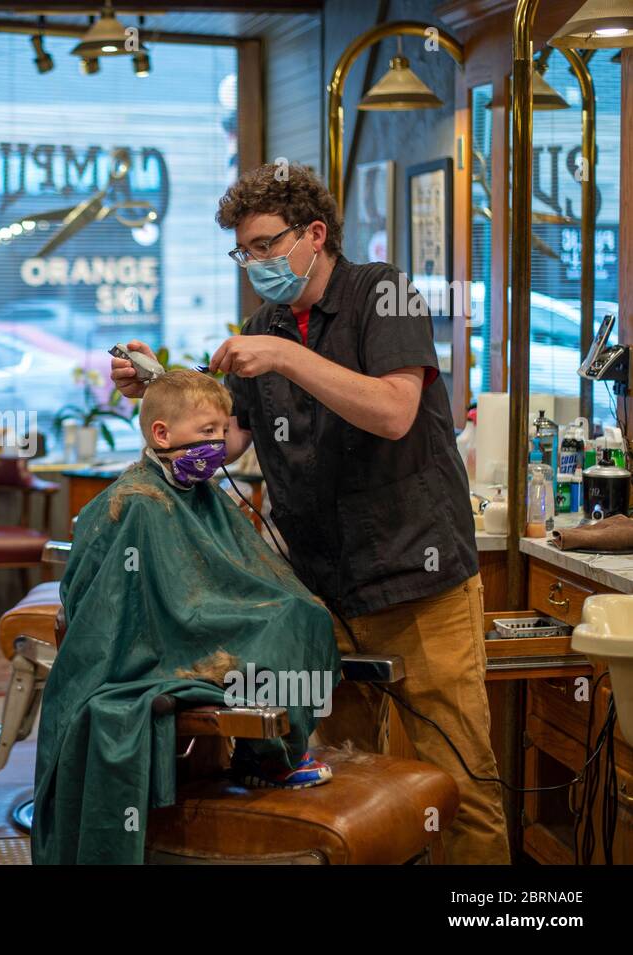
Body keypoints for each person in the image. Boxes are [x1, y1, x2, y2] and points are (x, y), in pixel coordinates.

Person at [112, 162, 510, 864]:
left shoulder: (382, 293)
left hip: (420, 581)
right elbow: (228, 440)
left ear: (314, 234)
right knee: (347, 783)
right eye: (246, 251)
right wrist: (157, 399)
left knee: (459, 781)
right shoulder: (268, 325)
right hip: (322, 593)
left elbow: (393, 410)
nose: (256, 263)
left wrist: (287, 358)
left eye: (267, 245)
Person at [32, 370, 340, 864]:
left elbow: (222, 572)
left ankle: (270, 753)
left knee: (303, 613)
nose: (220, 443)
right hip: (165, 633)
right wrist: (229, 610)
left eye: (223, 431)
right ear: (161, 434)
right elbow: (136, 599)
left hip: (201, 614)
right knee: (280, 621)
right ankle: (274, 756)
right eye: (207, 432)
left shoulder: (200, 494)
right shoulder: (137, 502)